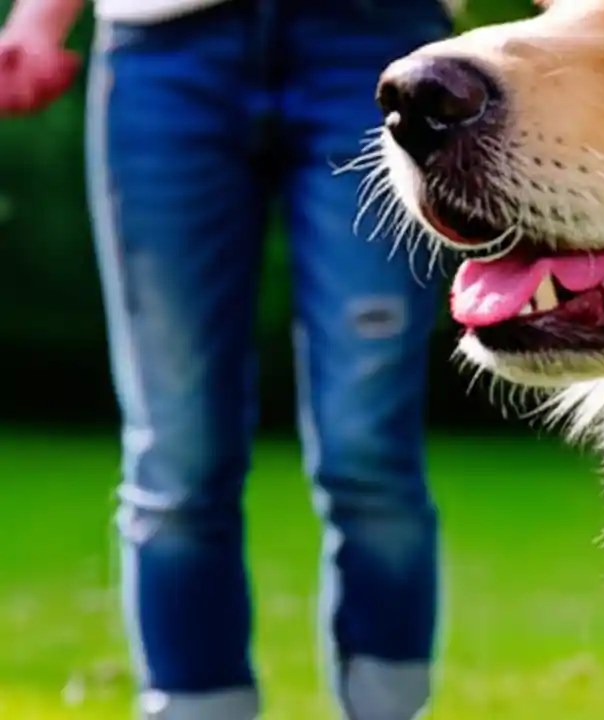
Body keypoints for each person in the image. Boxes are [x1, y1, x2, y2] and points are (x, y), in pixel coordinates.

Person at [0, 1, 450, 718]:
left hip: (373, 39)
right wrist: (37, 21)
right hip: (164, 50)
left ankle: (390, 709)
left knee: (368, 448)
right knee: (176, 455)